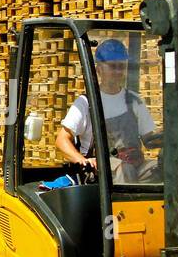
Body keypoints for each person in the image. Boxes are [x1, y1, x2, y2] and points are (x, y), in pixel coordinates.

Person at [55, 38, 161, 184]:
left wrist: (171, 140)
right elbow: (62, 140)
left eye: (121, 66)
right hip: (101, 170)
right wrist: (83, 161)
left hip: (135, 165)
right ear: (99, 69)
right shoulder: (86, 103)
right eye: (113, 66)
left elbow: (148, 139)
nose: (118, 71)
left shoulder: (134, 100)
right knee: (125, 169)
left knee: (160, 169)